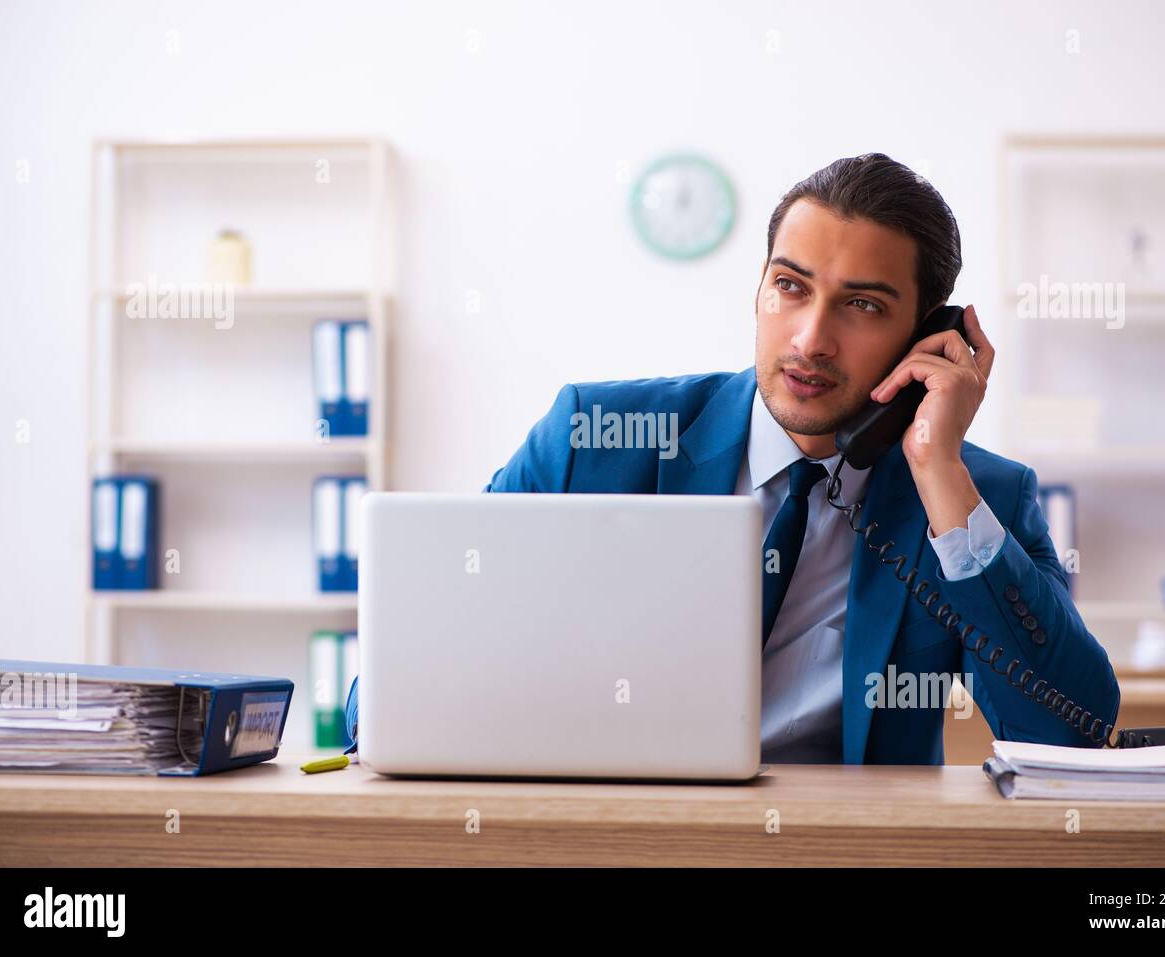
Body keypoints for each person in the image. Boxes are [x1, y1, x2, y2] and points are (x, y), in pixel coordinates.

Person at [345, 153, 1119, 764]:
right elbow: (382, 693)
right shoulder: (594, 437)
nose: (811, 338)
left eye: (863, 305)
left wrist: (940, 474)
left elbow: (1071, 730)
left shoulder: (973, 495)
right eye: (790, 286)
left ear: (927, 336)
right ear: (758, 291)